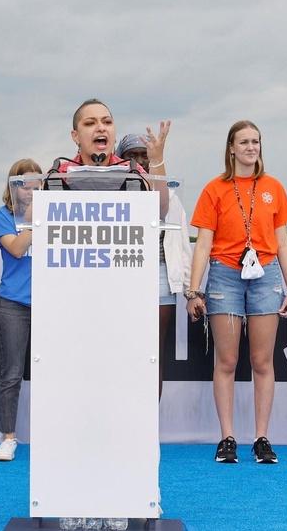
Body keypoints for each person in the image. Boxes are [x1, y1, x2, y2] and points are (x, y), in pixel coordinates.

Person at [185, 120, 287, 464]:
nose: (251, 147)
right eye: (244, 142)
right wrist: (193, 290)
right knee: (227, 360)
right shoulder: (214, 189)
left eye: (256, 142)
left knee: (263, 361)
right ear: (231, 148)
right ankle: (227, 438)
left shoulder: (273, 187)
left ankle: (262, 438)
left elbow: (282, 242)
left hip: (265, 275)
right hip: (224, 276)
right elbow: (203, 244)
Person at [118, 133, 192, 398]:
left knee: (153, 355)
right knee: (121, 351)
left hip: (159, 277)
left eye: (144, 155)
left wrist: (190, 290)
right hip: (120, 277)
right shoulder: (110, 192)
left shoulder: (169, 195)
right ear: (121, 159)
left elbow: (182, 245)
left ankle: (149, 428)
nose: (139, 161)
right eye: (132, 155)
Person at [0, 158, 41, 462]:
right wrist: (34, 219)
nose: (31, 189)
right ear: (13, 187)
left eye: (37, 183)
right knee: (11, 374)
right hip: (14, 303)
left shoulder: (57, 213)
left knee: (56, 371)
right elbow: (18, 249)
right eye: (24, 184)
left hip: (52, 302)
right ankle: (8, 436)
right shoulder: (2, 216)